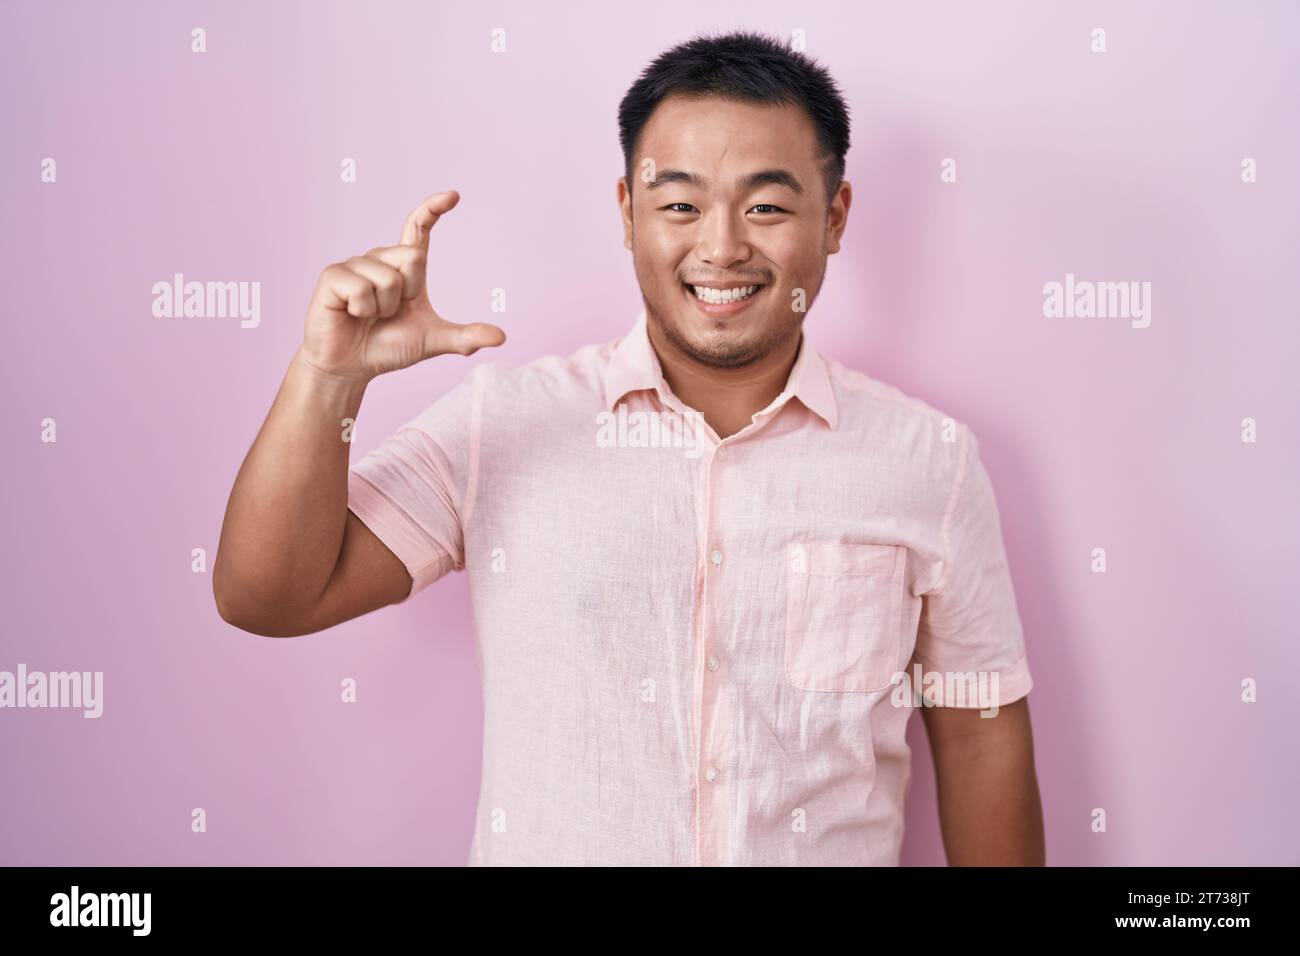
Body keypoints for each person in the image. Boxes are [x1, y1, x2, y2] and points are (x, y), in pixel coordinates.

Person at [214, 30, 1044, 866]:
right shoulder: (500, 425)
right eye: (680, 204)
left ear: (833, 218)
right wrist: (330, 377)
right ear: (627, 213)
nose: (721, 248)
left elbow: (981, 739)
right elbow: (269, 597)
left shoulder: (928, 462)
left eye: (766, 205)